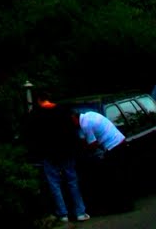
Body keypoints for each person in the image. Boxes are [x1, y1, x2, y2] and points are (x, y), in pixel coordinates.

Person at [27, 96, 90, 224]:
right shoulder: (63, 111)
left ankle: (63, 214)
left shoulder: (36, 115)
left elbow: (32, 136)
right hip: (66, 151)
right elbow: (72, 132)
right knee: (72, 181)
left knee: (54, 184)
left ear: (39, 101)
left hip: (48, 154)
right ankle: (80, 212)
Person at [78, 107, 128, 211]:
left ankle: (121, 205)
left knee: (114, 177)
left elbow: (93, 144)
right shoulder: (90, 113)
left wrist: (83, 150)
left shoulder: (85, 125)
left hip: (113, 146)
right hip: (119, 140)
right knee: (120, 175)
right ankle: (125, 203)